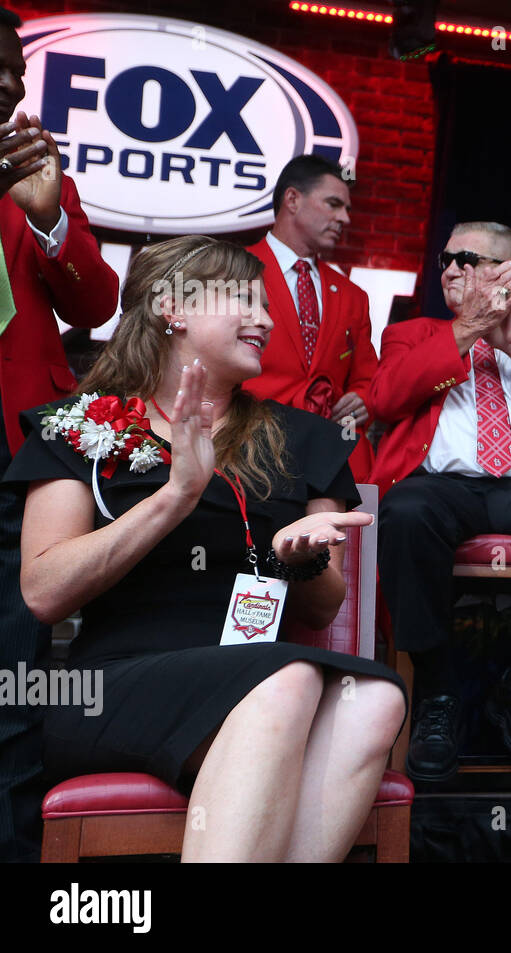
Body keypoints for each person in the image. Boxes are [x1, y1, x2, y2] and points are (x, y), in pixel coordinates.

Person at [3, 236, 406, 862]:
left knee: (376, 697)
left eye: (267, 307)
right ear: (172, 307)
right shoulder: (83, 426)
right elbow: (43, 593)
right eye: (244, 299)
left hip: (268, 684)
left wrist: (295, 558)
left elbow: (326, 608)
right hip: (109, 689)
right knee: (288, 675)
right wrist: (174, 497)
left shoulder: (308, 439)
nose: (266, 320)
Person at [369, 221, 511, 779]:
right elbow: (385, 399)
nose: (449, 269)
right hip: (443, 491)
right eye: (446, 259)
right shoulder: (413, 333)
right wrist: (467, 330)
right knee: (405, 512)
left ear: (509, 274)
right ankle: (438, 693)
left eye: (467, 259)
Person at [0, 6, 120, 861]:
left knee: (12, 682)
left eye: (16, 70)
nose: (11, 84)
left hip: (17, 459)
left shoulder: (39, 176)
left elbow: (95, 302)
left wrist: (47, 219)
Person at [243, 155, 378, 482]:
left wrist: (364, 398)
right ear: (292, 199)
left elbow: (368, 377)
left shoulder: (352, 295)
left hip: (329, 451)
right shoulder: (234, 270)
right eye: (333, 204)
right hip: (249, 440)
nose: (344, 218)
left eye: (347, 209)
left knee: (357, 528)